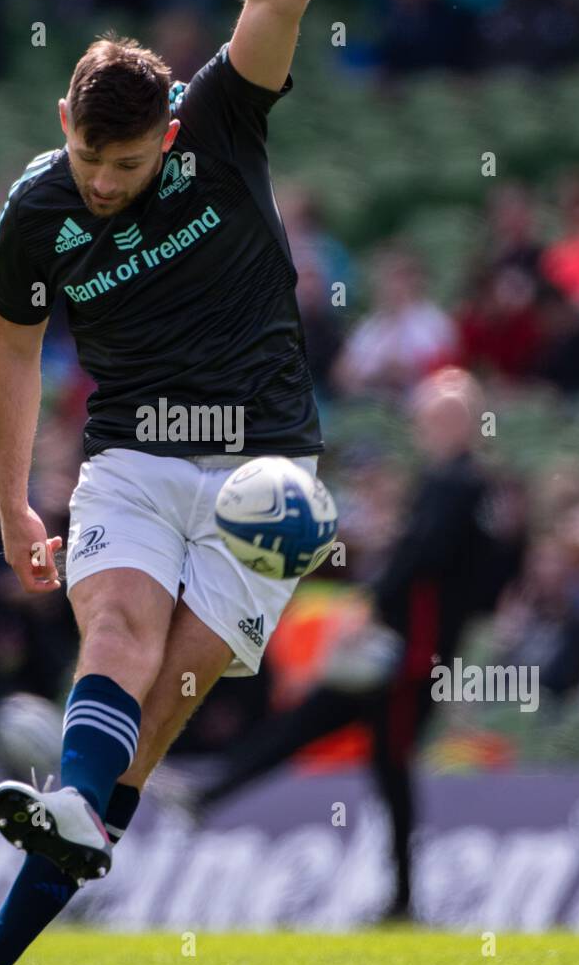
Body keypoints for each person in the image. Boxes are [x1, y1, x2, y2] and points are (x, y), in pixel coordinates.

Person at [0, 0, 349, 965]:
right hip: (127, 452)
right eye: (88, 164)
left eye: (125, 169)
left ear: (164, 135)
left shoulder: (216, 127)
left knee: (144, 729)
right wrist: (14, 499)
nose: (103, 190)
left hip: (263, 471)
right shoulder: (35, 212)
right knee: (111, 626)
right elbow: (13, 356)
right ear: (65, 123)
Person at [188, 369, 525, 921]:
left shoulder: (456, 484)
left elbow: (426, 561)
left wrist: (370, 603)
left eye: (438, 414)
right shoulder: (462, 486)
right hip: (407, 651)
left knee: (370, 752)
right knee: (344, 740)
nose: (426, 425)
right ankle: (215, 791)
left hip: (406, 655)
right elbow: (475, 573)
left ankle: (216, 792)